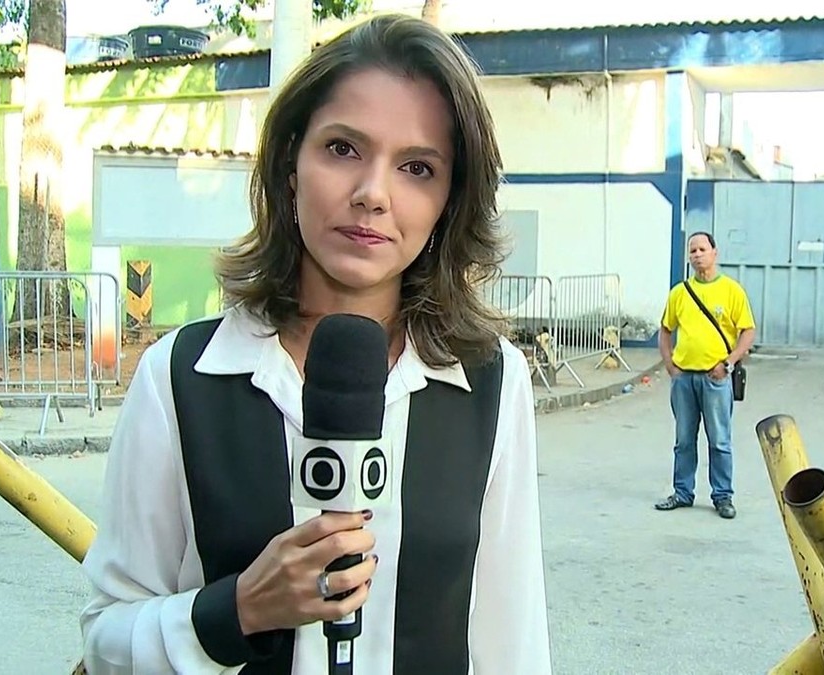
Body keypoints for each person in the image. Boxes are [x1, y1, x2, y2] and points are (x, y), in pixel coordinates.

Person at [78, 14, 552, 675]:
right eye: (343, 149)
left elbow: (513, 643)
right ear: (291, 162)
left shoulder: (492, 383)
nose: (372, 194)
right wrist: (237, 610)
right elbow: (107, 635)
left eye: (418, 167)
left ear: (450, 198)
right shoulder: (180, 378)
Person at [653, 232, 756, 520]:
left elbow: (748, 331)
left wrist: (729, 362)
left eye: (702, 249)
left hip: (716, 379)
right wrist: (670, 365)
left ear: (715, 253)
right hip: (684, 378)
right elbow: (665, 329)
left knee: (719, 440)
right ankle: (682, 492)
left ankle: (723, 496)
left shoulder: (731, 291)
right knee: (684, 439)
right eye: (692, 250)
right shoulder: (680, 293)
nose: (697, 254)